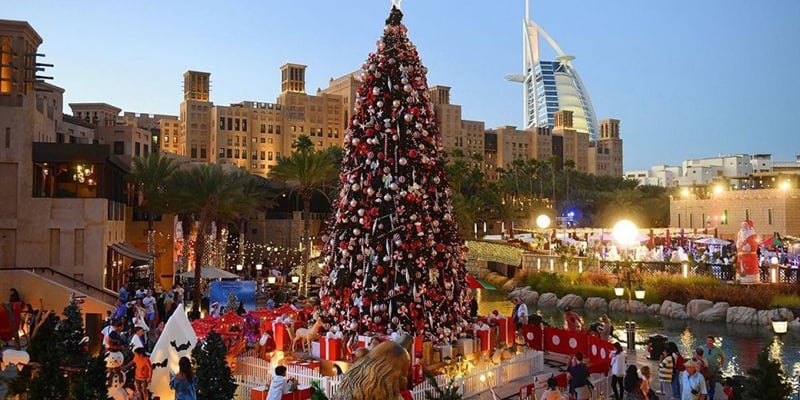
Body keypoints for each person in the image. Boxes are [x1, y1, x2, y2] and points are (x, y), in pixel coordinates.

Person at [703, 335, 725, 400]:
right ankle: (705, 397)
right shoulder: (703, 348)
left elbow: (723, 356)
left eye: (710, 341)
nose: (709, 342)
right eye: (707, 340)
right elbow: (699, 355)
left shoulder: (717, 349)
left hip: (714, 369)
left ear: (713, 341)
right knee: (705, 385)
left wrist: (721, 364)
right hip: (705, 370)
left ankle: (711, 398)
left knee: (712, 385)